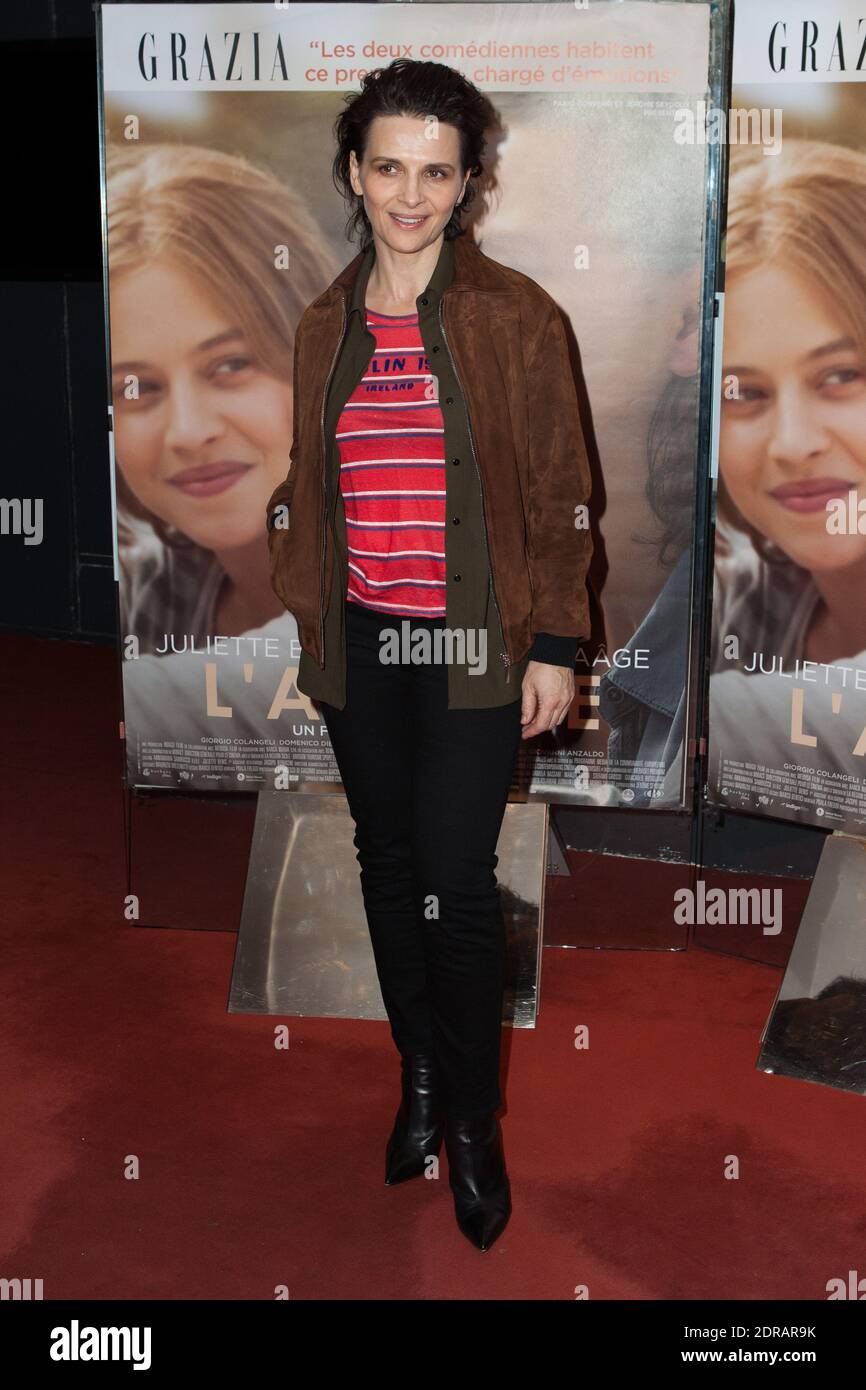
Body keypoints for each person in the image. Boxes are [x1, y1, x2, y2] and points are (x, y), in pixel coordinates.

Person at [266, 59, 593, 1251]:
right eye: (388, 166)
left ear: (468, 186)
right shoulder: (320, 324)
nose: (410, 193)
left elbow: (562, 493)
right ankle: (414, 1074)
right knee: (386, 860)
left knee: (457, 887)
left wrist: (553, 641)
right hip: (361, 644)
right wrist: (306, 613)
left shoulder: (517, 319)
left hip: (469, 648)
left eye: (436, 172)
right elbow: (313, 484)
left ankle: (472, 1119)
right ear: (354, 173)